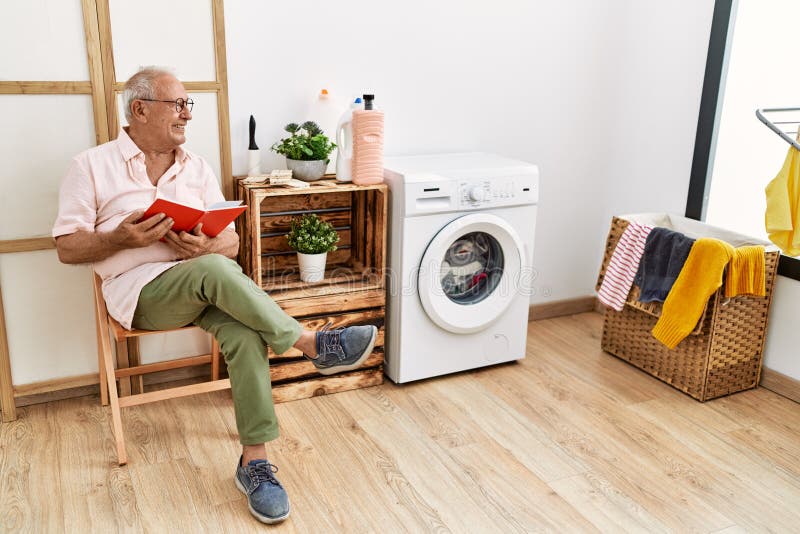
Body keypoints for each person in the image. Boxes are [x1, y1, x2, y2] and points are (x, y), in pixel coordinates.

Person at [52, 66, 377, 525]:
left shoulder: (196, 166)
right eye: (177, 104)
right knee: (213, 270)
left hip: (206, 283)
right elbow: (67, 247)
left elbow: (232, 244)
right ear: (140, 109)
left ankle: (254, 463)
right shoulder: (90, 165)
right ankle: (311, 343)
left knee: (244, 329)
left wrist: (206, 245)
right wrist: (122, 239)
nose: (186, 114)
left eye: (189, 105)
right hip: (139, 296)